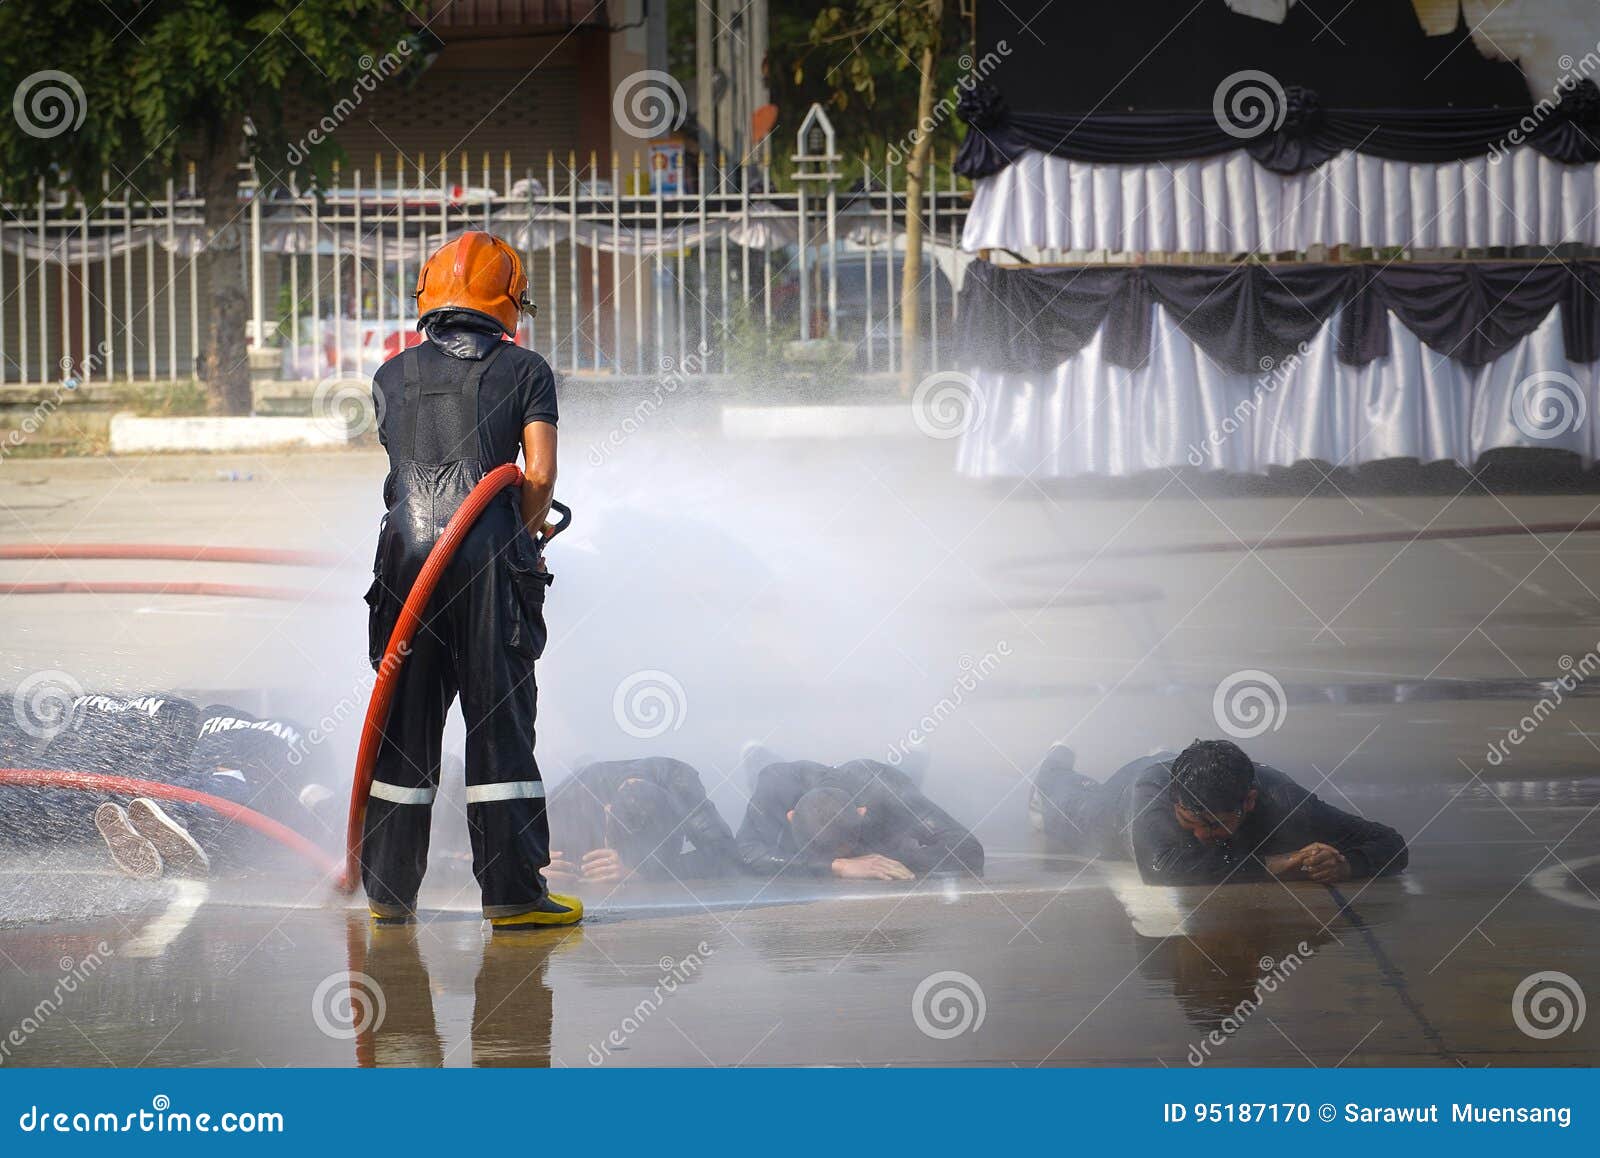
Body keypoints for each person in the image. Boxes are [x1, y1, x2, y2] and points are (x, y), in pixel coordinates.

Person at [361, 230, 579, 930]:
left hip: (403, 564)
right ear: (510, 300)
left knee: (404, 727)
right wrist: (525, 531)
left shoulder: (389, 375)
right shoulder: (527, 369)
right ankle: (513, 895)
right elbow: (538, 476)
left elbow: (405, 471)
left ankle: (388, 894)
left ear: (427, 297)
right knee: (498, 724)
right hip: (489, 564)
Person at [1031, 738, 1409, 885]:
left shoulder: (1283, 799)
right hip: (1118, 804)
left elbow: (1390, 843)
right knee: (1065, 808)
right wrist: (1282, 862)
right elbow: (1163, 868)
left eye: (1215, 825)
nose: (1201, 835)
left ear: (1248, 802)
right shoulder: (1152, 795)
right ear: (1175, 800)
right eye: (1190, 823)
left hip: (1188, 772)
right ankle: (1055, 765)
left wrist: (1348, 865)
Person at [737, 758, 984, 880]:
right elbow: (745, 851)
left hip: (881, 793)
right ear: (790, 817)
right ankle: (756, 755)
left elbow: (969, 849)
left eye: (844, 853)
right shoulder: (776, 782)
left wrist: (889, 862)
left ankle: (914, 760)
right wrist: (836, 866)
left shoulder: (883, 788)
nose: (843, 858)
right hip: (789, 784)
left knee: (910, 788)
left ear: (862, 813)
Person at [547, 757, 743, 887]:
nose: (633, 857)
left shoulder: (681, 788)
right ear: (607, 812)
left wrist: (644, 875)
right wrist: (534, 869)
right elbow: (520, 837)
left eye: (643, 854)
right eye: (626, 851)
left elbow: (726, 854)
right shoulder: (575, 792)